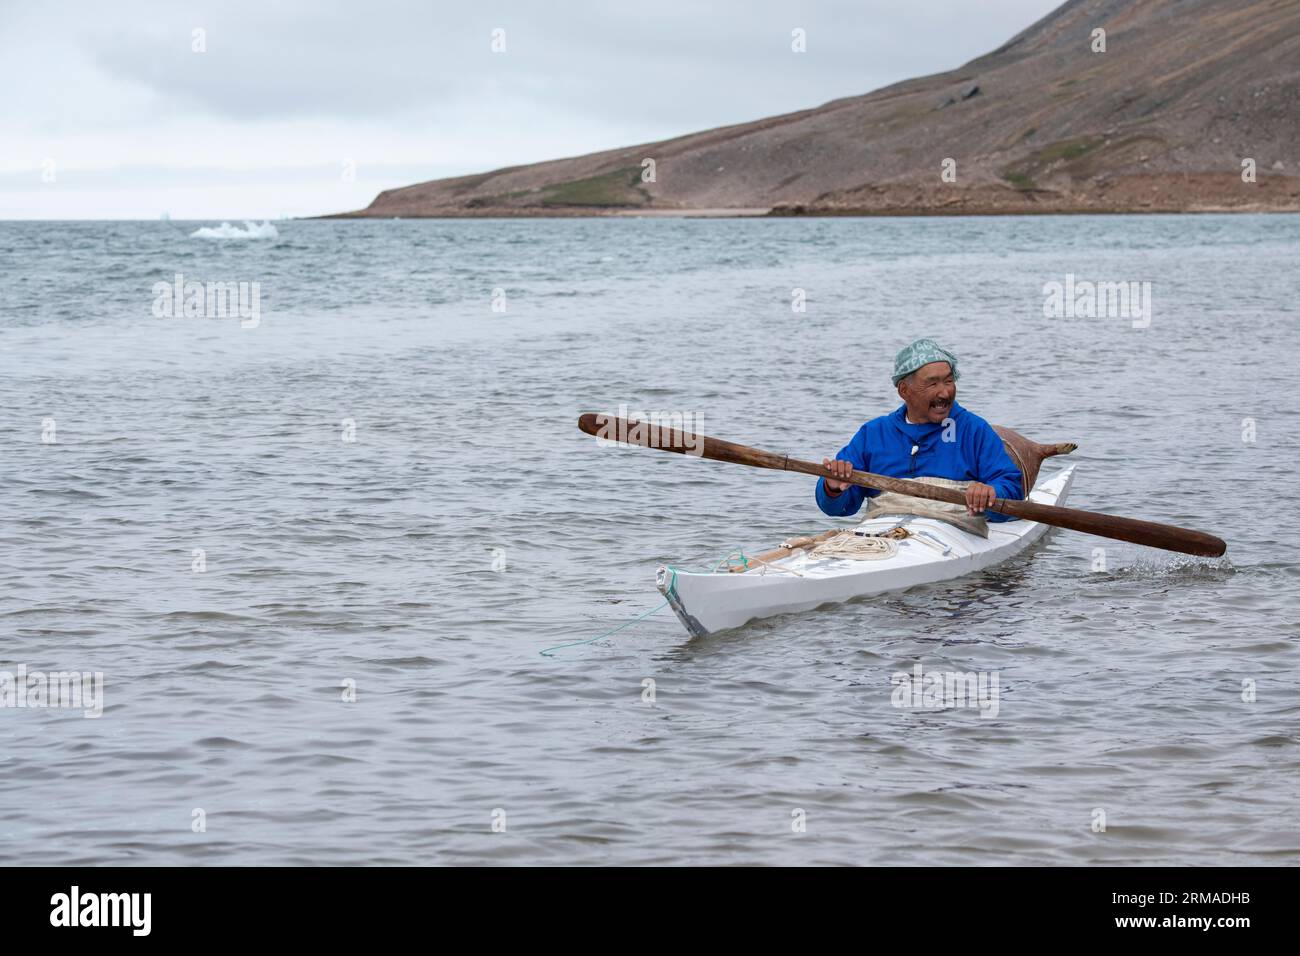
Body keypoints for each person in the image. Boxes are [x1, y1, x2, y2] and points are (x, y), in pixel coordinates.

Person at [816, 339, 1023, 519]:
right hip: (885, 532)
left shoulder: (974, 430)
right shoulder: (873, 434)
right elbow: (837, 508)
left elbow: (1012, 488)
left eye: (949, 381)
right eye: (932, 384)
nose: (944, 392)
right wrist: (832, 487)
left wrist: (990, 492)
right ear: (904, 391)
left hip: (956, 531)